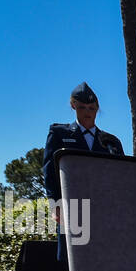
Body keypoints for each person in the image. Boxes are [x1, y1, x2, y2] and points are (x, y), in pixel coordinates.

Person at [42, 82, 125, 260]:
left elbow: (121, 176)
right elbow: (50, 171)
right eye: (82, 107)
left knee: (104, 261)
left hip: (103, 211)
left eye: (92, 108)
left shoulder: (110, 141)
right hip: (72, 209)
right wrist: (55, 204)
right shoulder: (59, 133)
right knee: (71, 262)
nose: (87, 112)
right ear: (73, 106)